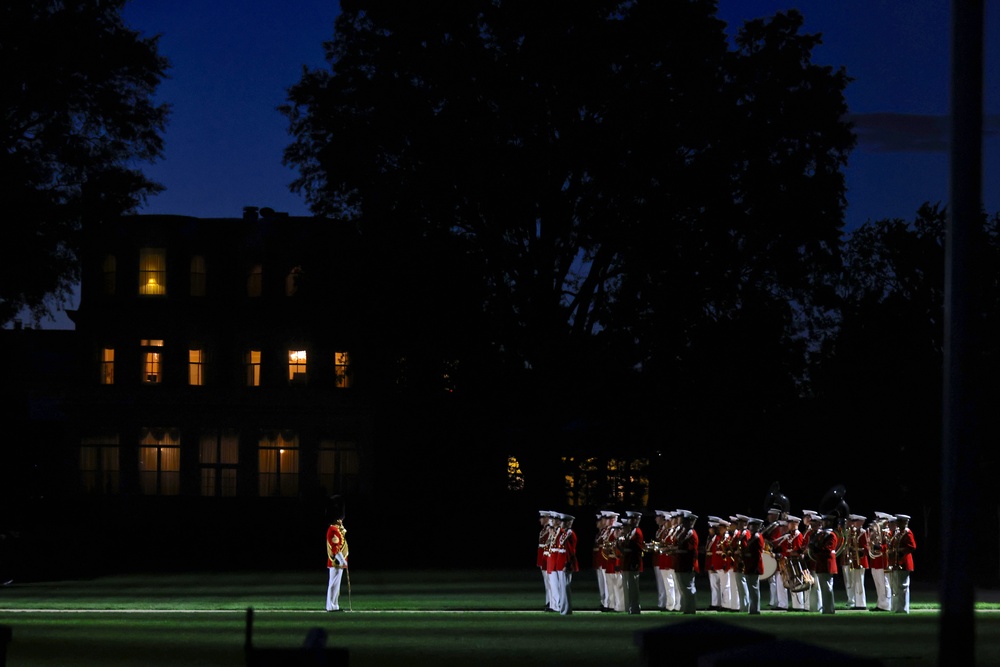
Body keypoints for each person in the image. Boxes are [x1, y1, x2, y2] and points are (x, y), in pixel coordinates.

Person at [809, 513, 840, 615]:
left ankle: (829, 609)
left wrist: (815, 549)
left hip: (827, 564)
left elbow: (828, 549)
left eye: (825, 521)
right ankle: (826, 609)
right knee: (824, 588)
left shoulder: (831, 535)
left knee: (827, 588)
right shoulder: (823, 534)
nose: (823, 523)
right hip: (822, 564)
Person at [325, 496, 349, 612]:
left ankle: (334, 605)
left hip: (338, 562)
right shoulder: (333, 530)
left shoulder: (337, 529)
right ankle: (331, 606)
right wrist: (343, 560)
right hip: (336, 562)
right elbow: (335, 548)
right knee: (334, 585)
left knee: (336, 586)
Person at [889, 513, 916, 613]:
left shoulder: (907, 533)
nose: (897, 523)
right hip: (898, 561)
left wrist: (899, 550)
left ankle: (903, 608)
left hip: (904, 562)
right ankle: (897, 607)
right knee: (896, 586)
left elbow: (912, 546)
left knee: (903, 586)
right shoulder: (899, 533)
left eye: (899, 522)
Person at [674, 511, 700, 614]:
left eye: (685, 521)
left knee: (688, 587)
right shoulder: (685, 532)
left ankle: (691, 608)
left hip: (687, 564)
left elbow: (690, 550)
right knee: (684, 587)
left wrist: (676, 550)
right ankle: (687, 607)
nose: (683, 523)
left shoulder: (691, 533)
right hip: (681, 563)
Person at [620, 511, 644, 614]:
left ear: (635, 520)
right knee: (629, 587)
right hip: (628, 562)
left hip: (632, 563)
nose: (629, 521)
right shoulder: (631, 532)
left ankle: (634, 608)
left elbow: (637, 549)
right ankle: (630, 607)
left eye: (631, 519)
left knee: (633, 588)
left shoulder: (637, 532)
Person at [869, 512, 893, 611]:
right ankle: (880, 604)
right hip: (876, 560)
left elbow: (888, 546)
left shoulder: (888, 532)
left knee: (884, 583)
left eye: (880, 520)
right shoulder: (878, 532)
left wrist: (879, 547)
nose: (877, 522)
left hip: (883, 561)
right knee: (878, 584)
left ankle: (886, 605)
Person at [743, 518, 765, 614]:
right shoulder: (753, 536)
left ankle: (755, 610)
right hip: (750, 566)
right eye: (750, 526)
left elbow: (757, 554)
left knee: (754, 589)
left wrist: (747, 555)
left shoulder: (756, 537)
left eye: (754, 526)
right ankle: (753, 609)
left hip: (754, 566)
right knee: (752, 590)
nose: (751, 527)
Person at [538, 511, 556, 611]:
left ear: (546, 518)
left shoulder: (549, 529)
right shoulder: (544, 529)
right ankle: (548, 601)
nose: (540, 520)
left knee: (550, 581)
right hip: (543, 557)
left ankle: (552, 602)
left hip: (547, 556)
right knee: (547, 582)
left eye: (542, 518)